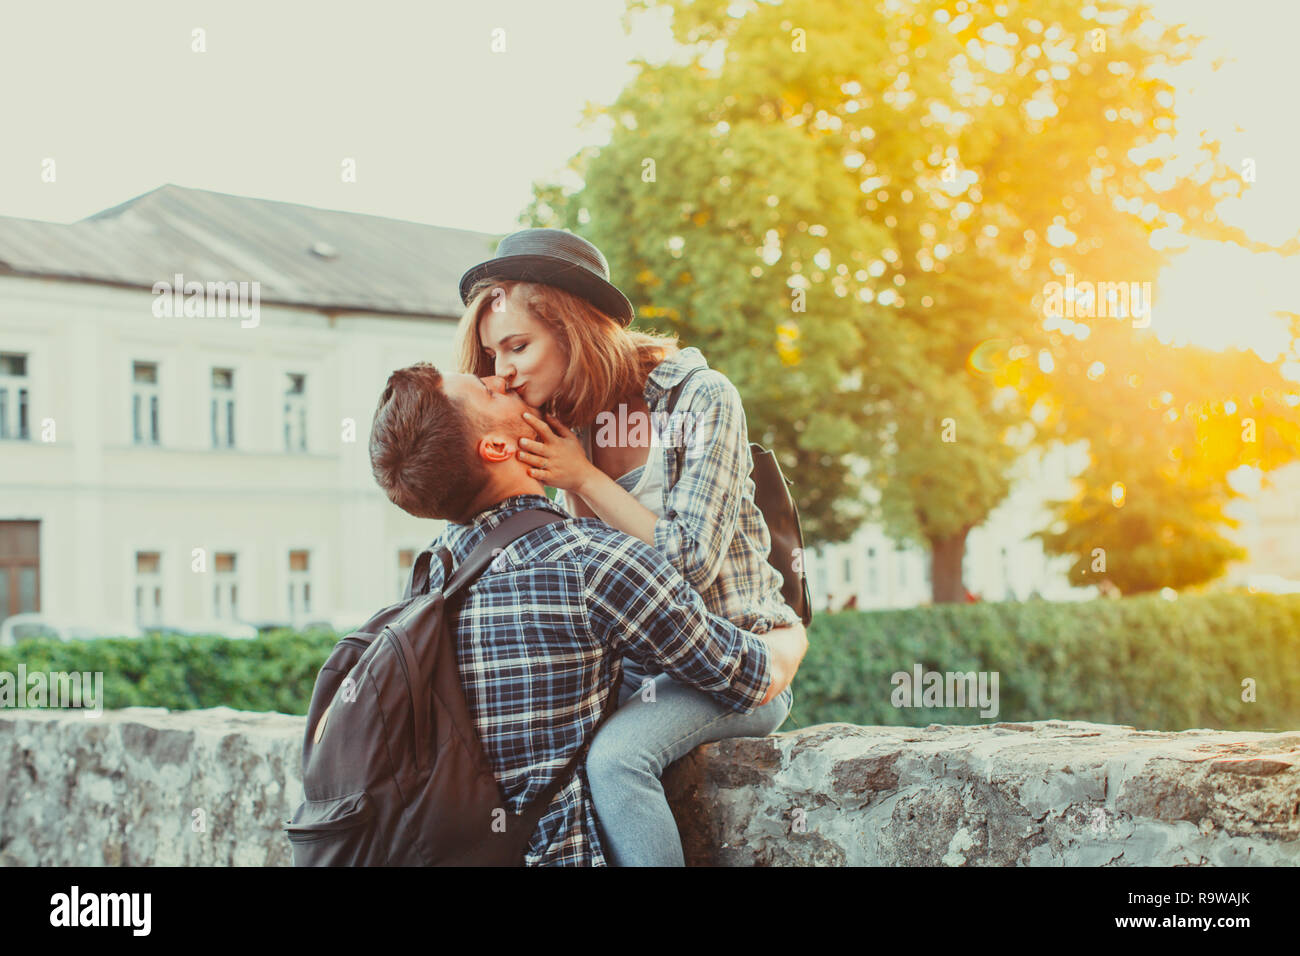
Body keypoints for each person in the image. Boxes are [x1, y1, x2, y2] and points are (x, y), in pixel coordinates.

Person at [454, 227, 805, 866]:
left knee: (617, 761)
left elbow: (690, 562)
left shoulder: (702, 399)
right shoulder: (568, 424)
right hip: (637, 669)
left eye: (517, 346)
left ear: (573, 328)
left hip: (731, 660)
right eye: (492, 353)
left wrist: (582, 478)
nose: (502, 370)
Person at [367, 362, 808, 866]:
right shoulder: (593, 564)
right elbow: (743, 677)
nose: (502, 378)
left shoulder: (433, 573)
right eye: (487, 390)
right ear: (495, 448)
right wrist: (789, 631)